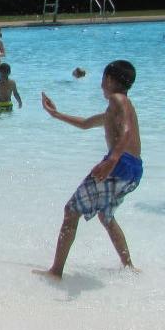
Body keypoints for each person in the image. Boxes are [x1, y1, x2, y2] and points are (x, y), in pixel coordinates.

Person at [36, 60, 141, 279]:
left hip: (119, 164)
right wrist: (55, 113)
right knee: (106, 216)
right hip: (133, 169)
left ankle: (56, 271)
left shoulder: (117, 100)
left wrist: (112, 159)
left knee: (70, 211)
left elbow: (127, 131)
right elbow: (85, 123)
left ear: (110, 80)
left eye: (103, 80)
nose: (101, 85)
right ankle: (129, 266)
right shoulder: (121, 107)